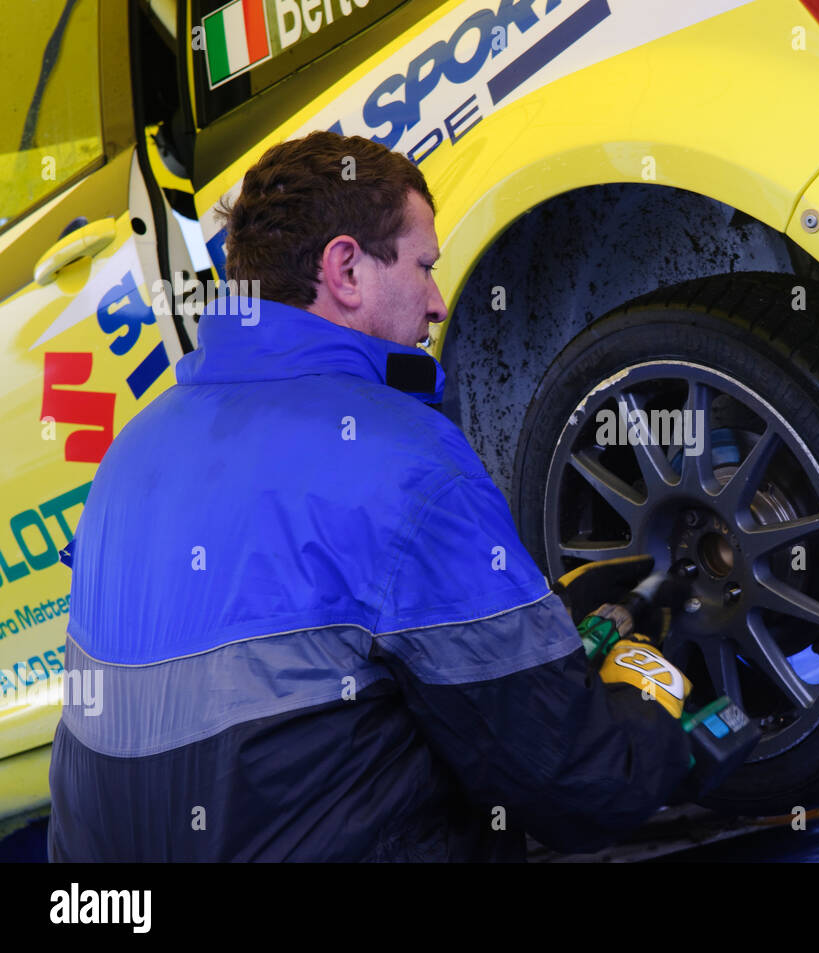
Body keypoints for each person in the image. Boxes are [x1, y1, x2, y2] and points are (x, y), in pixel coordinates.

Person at [47, 131, 693, 861]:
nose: (440, 303)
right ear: (346, 268)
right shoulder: (397, 458)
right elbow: (576, 783)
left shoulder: (131, 451)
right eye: (424, 267)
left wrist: (522, 626)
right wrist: (645, 696)